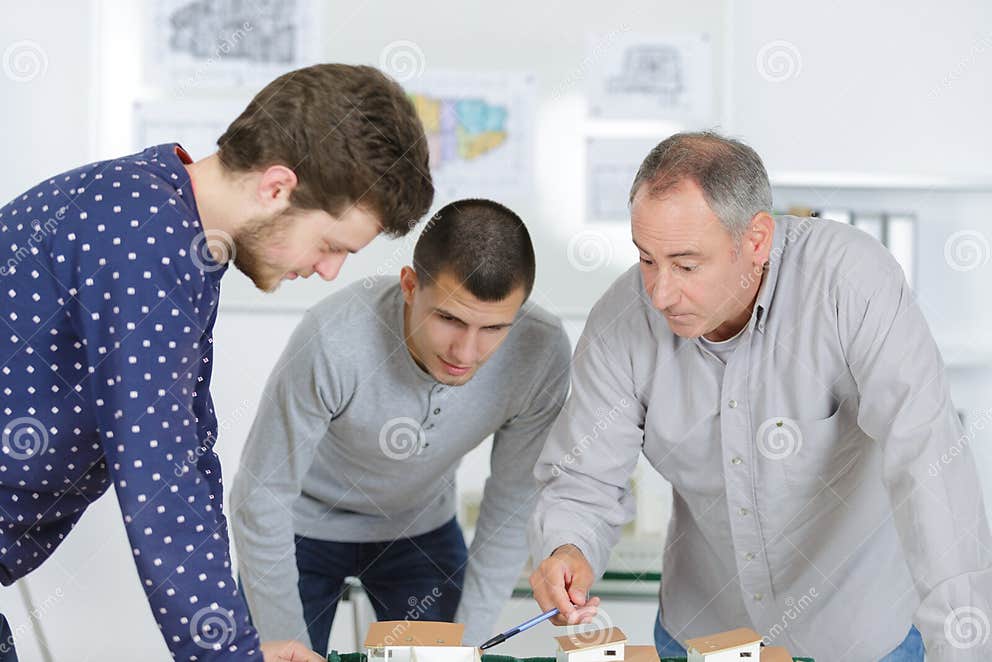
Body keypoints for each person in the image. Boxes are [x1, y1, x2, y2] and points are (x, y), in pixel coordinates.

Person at [0, 63, 433, 661]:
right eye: (332, 245)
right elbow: (161, 483)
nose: (330, 270)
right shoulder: (146, 239)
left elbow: (190, 453)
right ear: (277, 187)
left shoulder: (174, 227)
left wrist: (241, 645)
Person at [528, 132, 992, 662]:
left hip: (860, 636)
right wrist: (567, 546)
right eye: (646, 259)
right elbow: (584, 479)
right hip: (704, 631)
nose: (659, 293)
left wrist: (964, 646)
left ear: (756, 240)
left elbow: (928, 459)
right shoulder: (621, 322)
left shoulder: (850, 284)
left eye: (685, 264)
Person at [230, 199, 571, 653]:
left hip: (418, 529)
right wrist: (286, 646)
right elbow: (260, 495)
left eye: (493, 328)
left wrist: (465, 645)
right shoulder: (334, 338)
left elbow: (511, 504)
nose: (466, 354)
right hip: (298, 528)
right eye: (449, 318)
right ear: (410, 285)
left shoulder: (540, 352)